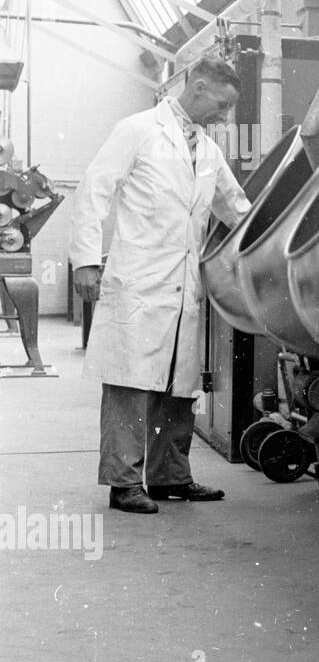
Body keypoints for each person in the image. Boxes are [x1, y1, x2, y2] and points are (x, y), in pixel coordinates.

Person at [69, 57, 252, 513]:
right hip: (139, 280)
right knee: (129, 383)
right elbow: (95, 189)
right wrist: (85, 260)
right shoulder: (138, 129)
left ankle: (170, 476)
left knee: (178, 386)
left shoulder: (207, 149)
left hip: (182, 287)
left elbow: (236, 208)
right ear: (200, 87)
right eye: (223, 104)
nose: (226, 116)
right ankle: (123, 483)